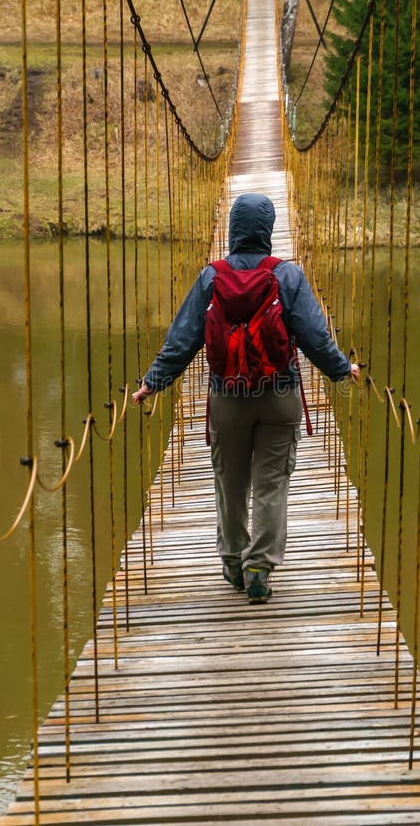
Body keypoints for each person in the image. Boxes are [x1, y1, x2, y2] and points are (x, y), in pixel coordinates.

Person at [133, 193, 359, 603]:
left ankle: (234, 559)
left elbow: (183, 338)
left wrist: (154, 381)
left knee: (229, 482)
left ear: (234, 229)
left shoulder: (211, 277)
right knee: (271, 485)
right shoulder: (288, 275)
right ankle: (260, 567)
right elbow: (313, 336)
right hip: (279, 395)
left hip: (228, 396)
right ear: (268, 229)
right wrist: (343, 369)